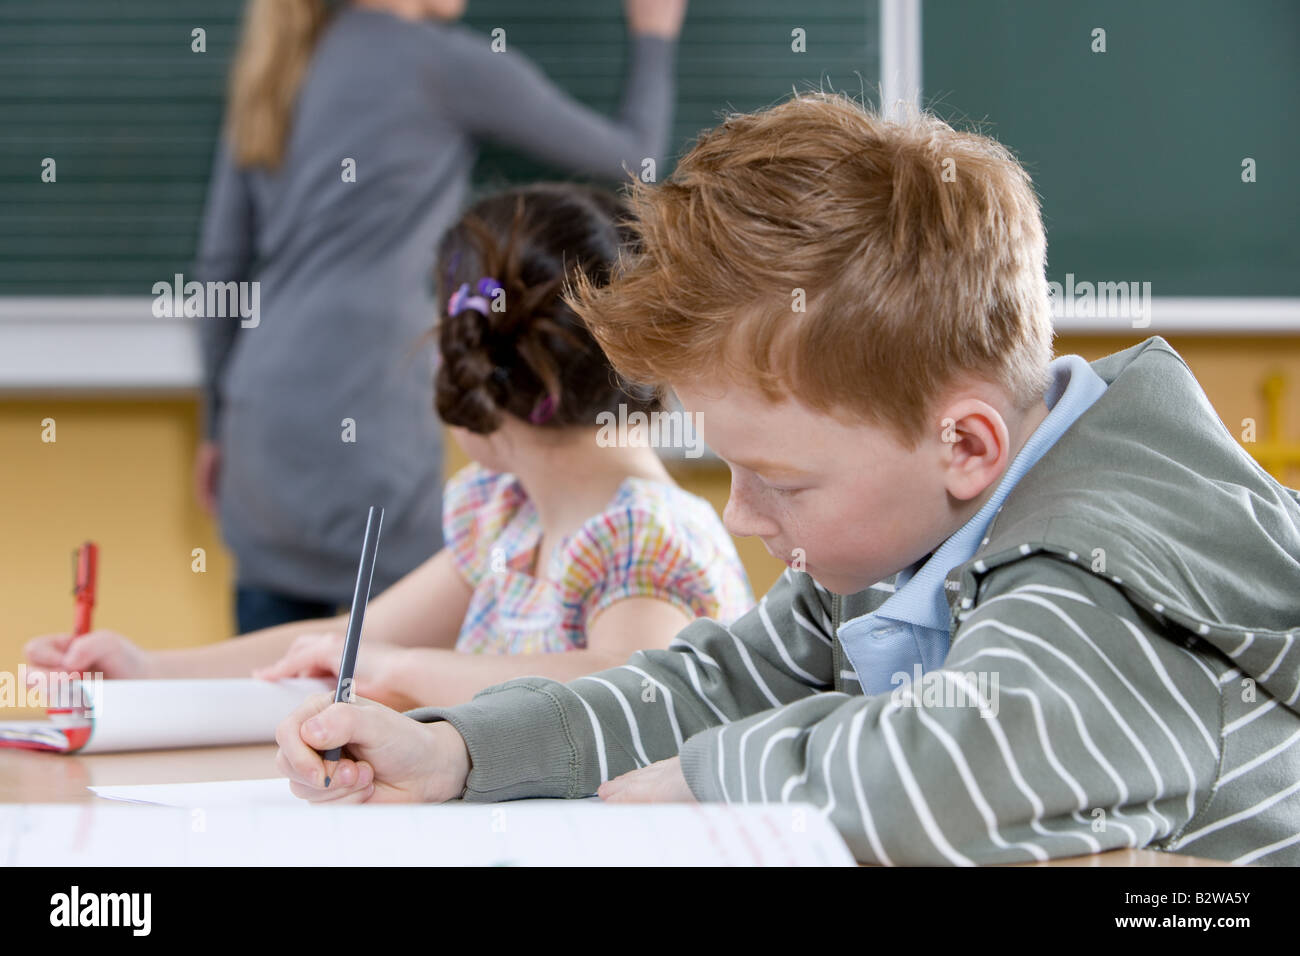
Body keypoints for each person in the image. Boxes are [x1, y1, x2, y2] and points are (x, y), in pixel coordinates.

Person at [270, 93, 1300, 866]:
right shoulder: (905, 537)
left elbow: (945, 780)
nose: (738, 510)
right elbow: (713, 681)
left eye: (778, 481)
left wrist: (713, 769)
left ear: (965, 446)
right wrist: (457, 751)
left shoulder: (1102, 580)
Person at [26, 184, 753, 711]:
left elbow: (624, 681)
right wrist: (148, 670)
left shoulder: (647, 535)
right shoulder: (507, 512)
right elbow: (348, 639)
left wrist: (405, 669)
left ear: (471, 361)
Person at [193, 0, 685, 632]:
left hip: (257, 425)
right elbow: (635, 163)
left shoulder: (276, 67)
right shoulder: (442, 63)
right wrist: (654, 35)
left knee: (271, 696)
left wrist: (215, 427)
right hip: (371, 412)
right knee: (400, 672)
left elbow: (218, 270)